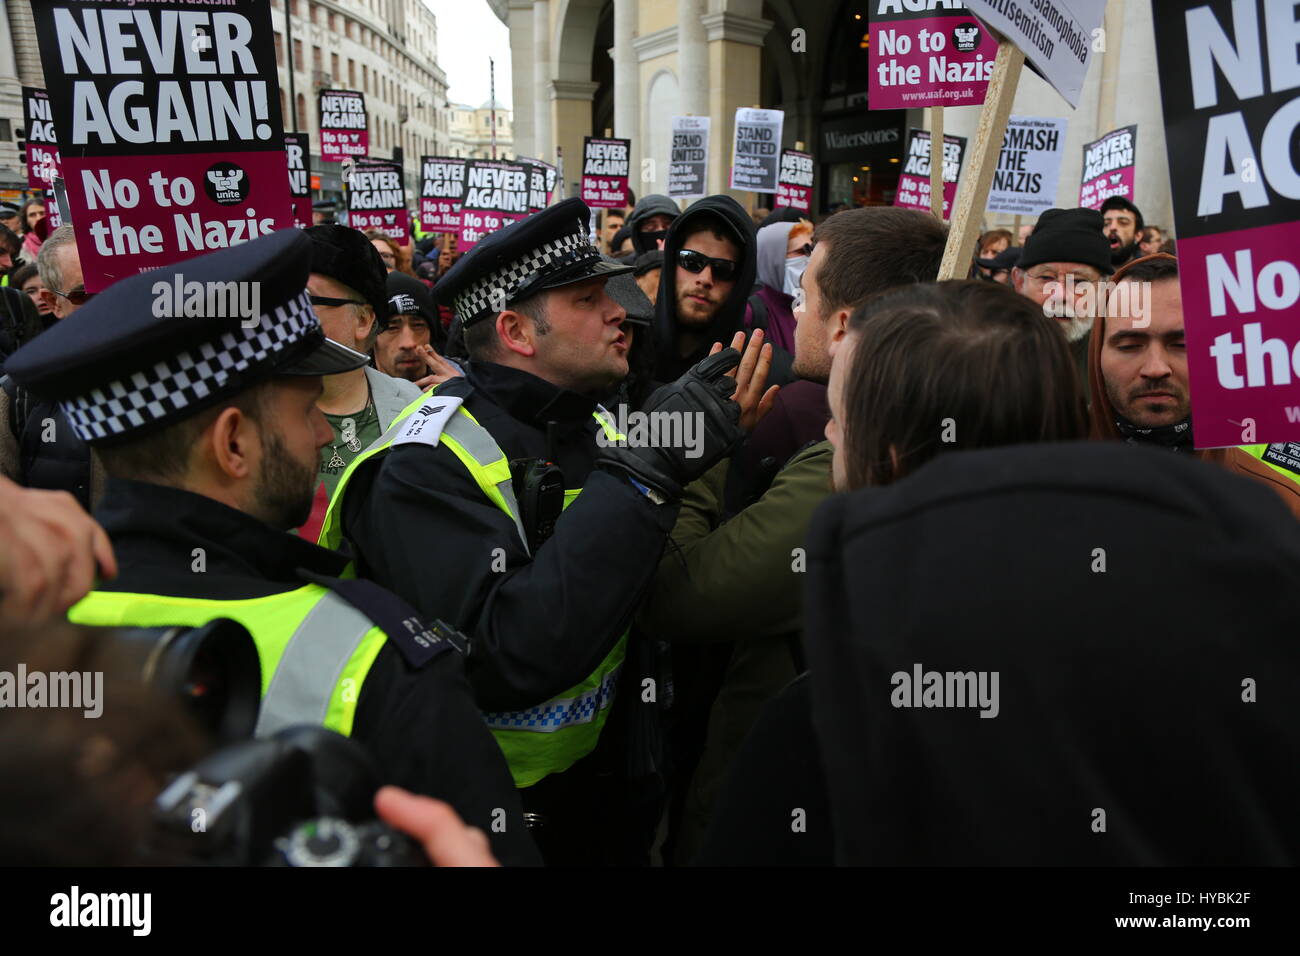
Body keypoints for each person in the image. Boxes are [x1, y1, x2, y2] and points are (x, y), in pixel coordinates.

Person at [2, 228, 541, 866]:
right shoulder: (374, 658)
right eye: (307, 408)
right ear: (233, 443)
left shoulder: (23, 627)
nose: (320, 433)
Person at [318, 197, 748, 865]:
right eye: (588, 298)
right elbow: (506, 653)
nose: (620, 310)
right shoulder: (422, 463)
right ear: (517, 331)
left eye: (611, 290)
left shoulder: (597, 424)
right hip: (481, 822)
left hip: (600, 804)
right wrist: (645, 474)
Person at [698, 279, 1093, 865]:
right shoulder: (1139, 638)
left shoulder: (833, 717)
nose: (827, 432)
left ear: (884, 457)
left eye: (838, 413)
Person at [639, 206, 948, 864]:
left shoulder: (855, 468)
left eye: (803, 294)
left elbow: (678, 594)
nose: (793, 313)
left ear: (841, 324)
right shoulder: (952, 418)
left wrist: (703, 454)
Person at [1089, 253, 1300, 517]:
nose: (1156, 368)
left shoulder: (1279, 507)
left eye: (1182, 345)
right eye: (1130, 346)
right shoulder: (1042, 488)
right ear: (1097, 354)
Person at [297, 224, 421, 542]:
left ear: (363, 320)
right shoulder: (248, 410)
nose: (286, 316)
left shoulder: (415, 411)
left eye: (304, 301)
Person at [0, 226, 102, 511]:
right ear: (53, 302)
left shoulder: (192, 381)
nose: (109, 302)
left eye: (119, 285)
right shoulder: (18, 397)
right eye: (85, 294)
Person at [651, 194, 757, 382]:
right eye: (691, 261)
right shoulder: (626, 353)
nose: (705, 279)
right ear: (672, 264)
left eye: (723, 269)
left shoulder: (759, 372)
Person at [1012, 207, 1114, 386]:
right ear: (1019, 281)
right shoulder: (983, 354)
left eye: (1078, 282)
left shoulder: (1118, 363)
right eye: (1046, 278)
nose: (1060, 296)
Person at [742, 217, 814, 369]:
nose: (810, 257)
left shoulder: (817, 305)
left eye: (811, 249)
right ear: (774, 258)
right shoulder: (750, 313)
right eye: (802, 250)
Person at [374, 271, 446, 383]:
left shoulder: (461, 384)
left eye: (418, 326)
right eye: (392, 328)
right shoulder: (347, 394)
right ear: (371, 338)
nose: (408, 344)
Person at [1100, 196, 1143, 266]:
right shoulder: (1087, 272)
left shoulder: (1152, 275)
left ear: (1138, 235)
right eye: (1106, 223)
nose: (1112, 227)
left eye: (1123, 222)